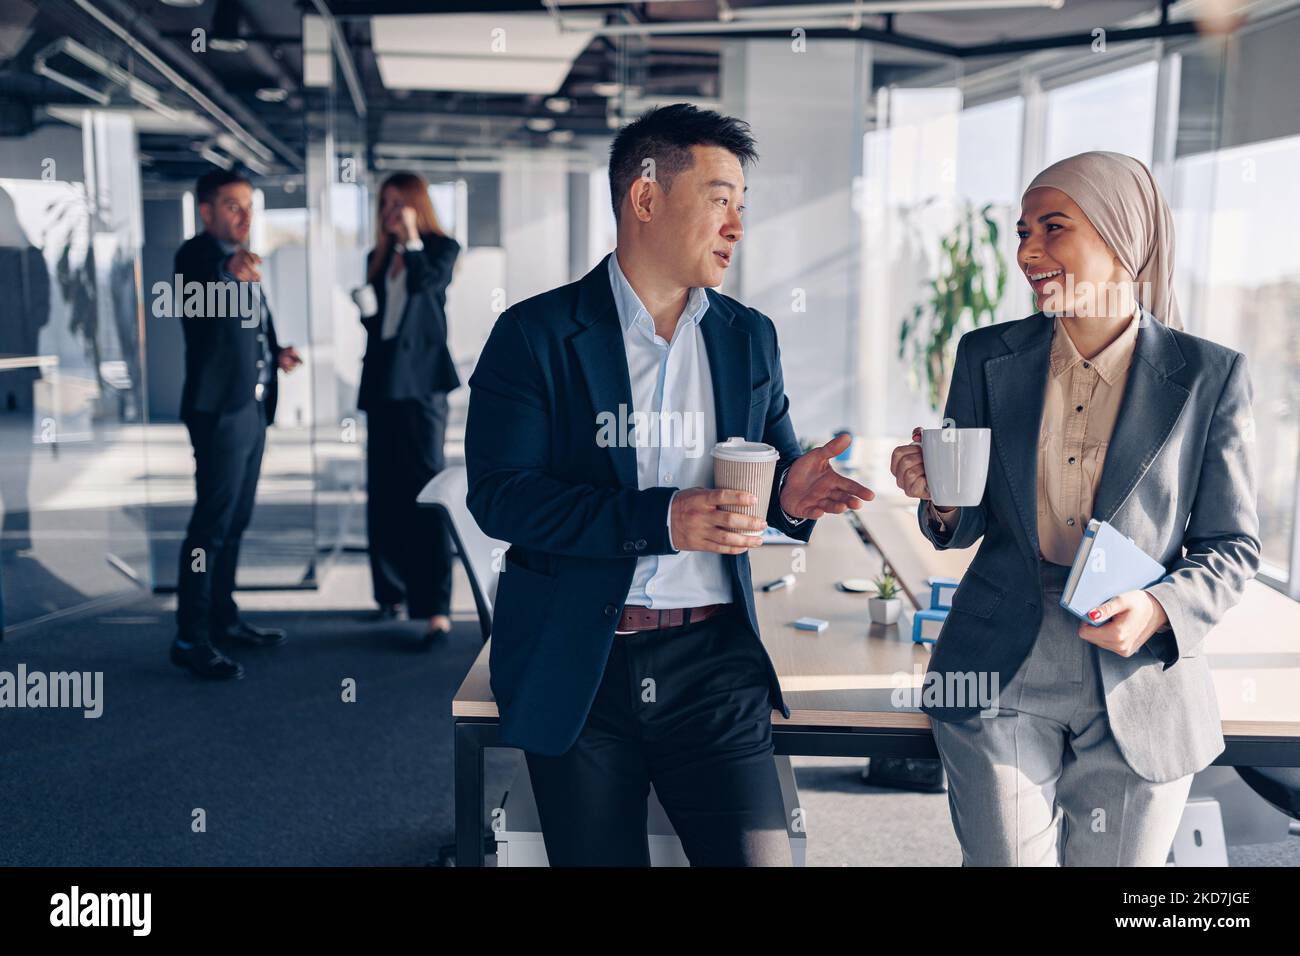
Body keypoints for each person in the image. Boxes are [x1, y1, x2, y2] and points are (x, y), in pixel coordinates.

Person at [465, 104, 873, 866]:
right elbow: (499, 496)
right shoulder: (535, 335)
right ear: (645, 198)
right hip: (578, 661)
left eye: (742, 207)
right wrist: (662, 520)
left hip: (711, 664)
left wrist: (792, 496)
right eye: (720, 200)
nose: (736, 227)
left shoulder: (748, 336)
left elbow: (772, 468)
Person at [889, 151, 1260, 865]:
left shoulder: (1210, 376)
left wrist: (1157, 610)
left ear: (1122, 236)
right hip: (1003, 654)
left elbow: (1232, 547)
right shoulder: (986, 356)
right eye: (1022, 231)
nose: (1028, 251)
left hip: (1141, 667)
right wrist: (938, 498)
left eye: (1053, 228)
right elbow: (962, 524)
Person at [171, 169, 303, 679]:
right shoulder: (198, 257)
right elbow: (208, 283)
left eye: (249, 205)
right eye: (232, 205)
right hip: (220, 413)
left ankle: (223, 619)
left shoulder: (241, 263)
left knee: (235, 523)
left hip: (251, 409)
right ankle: (190, 637)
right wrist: (229, 272)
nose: (244, 215)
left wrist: (275, 352)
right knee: (210, 526)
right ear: (206, 211)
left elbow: (247, 328)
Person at [357, 172, 461, 642]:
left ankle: (436, 605)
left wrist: (413, 240)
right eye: (386, 205)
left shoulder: (440, 249)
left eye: (401, 204)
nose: (392, 213)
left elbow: (426, 289)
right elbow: (380, 324)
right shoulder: (376, 259)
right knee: (383, 493)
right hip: (382, 385)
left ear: (419, 206)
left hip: (421, 388)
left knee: (425, 491)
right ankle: (391, 594)